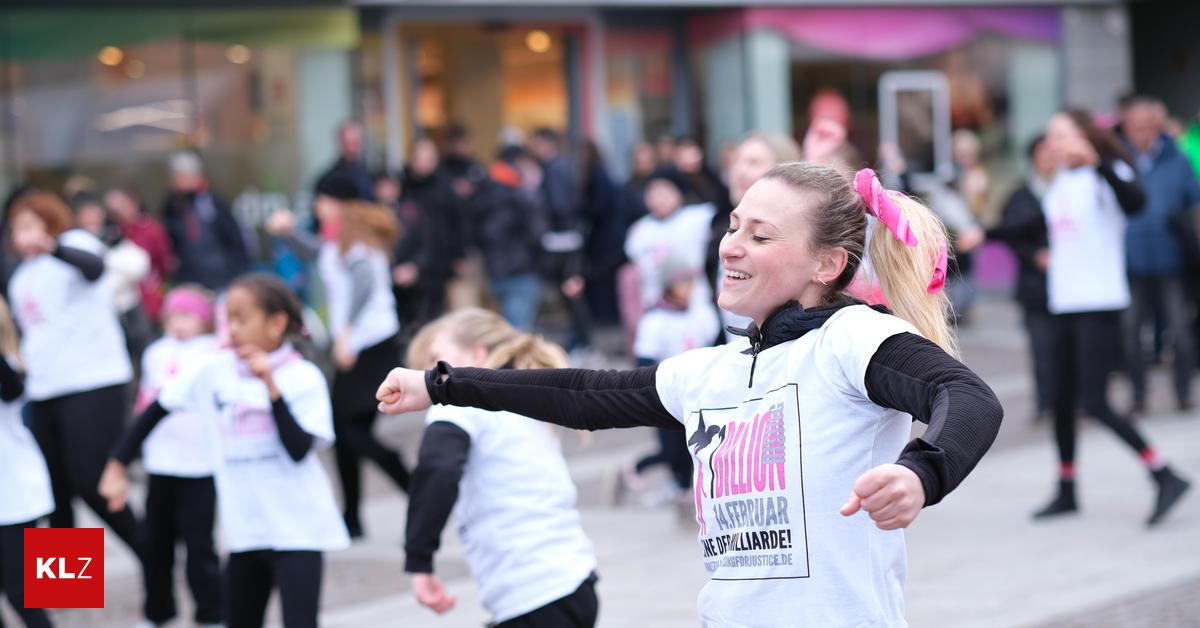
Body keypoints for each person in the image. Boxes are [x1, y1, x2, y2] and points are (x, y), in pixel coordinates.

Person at [378, 162, 1004, 626]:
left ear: (826, 265)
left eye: (761, 235)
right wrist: (443, 385)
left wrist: (923, 472)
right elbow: (584, 392)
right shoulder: (711, 372)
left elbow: (967, 396)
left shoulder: (849, 340)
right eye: (734, 226)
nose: (731, 245)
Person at [102, 273, 350, 628]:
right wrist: (117, 464)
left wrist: (270, 387)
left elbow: (298, 449)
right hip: (245, 530)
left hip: (298, 528)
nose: (232, 329)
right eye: (228, 318)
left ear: (277, 323)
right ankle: (152, 612)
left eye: (242, 319)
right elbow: (156, 409)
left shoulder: (302, 377)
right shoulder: (211, 369)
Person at [1033, 108, 1190, 525]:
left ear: (1084, 137)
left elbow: (1135, 203)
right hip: (1063, 302)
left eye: (1061, 135)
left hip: (1099, 303)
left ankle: (1164, 473)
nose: (1053, 144)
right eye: (1050, 137)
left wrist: (1099, 163)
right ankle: (1067, 488)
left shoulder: (1110, 171)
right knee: (1061, 399)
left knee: (1094, 401)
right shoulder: (1061, 180)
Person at [403, 308, 599, 627]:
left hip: (533, 593)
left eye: (434, 359)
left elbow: (437, 469)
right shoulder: (522, 401)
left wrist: (419, 561)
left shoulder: (458, 400)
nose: (424, 374)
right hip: (573, 581)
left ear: (476, 354)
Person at [5, 189, 141, 552]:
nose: (24, 235)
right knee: (56, 487)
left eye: (30, 225)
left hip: (92, 382)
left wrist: (53, 247)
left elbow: (94, 269)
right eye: (17, 229)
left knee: (91, 481)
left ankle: (151, 553)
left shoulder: (75, 243)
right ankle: (68, 590)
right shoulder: (21, 277)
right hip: (44, 388)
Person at [314, 184, 410, 539]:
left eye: (322, 200)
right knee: (346, 433)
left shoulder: (357, 244)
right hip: (359, 345)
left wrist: (345, 334)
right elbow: (317, 256)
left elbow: (365, 286)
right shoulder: (339, 240)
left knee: (348, 430)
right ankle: (352, 517)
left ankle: (404, 477)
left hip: (369, 345)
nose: (317, 206)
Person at [131, 285, 223, 627]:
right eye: (172, 316)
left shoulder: (212, 352)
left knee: (200, 547)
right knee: (155, 544)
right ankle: (157, 610)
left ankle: (211, 612)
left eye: (187, 315)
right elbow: (146, 401)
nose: (178, 323)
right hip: (161, 461)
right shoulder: (156, 352)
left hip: (199, 464)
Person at [1117, 96, 1200, 412]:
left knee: (1180, 330)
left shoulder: (1177, 159)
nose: (1142, 132)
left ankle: (1183, 391)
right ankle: (1139, 395)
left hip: (1171, 261)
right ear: (1127, 127)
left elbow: (1195, 202)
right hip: (1131, 262)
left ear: (1157, 126)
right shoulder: (1119, 160)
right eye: (1136, 126)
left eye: (1148, 126)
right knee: (1131, 333)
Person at [617, 258, 719, 508]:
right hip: (666, 391)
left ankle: (684, 494)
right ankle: (638, 469)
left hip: (699, 390)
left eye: (690, 283)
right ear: (668, 287)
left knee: (695, 446)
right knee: (672, 450)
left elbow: (716, 346)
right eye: (681, 284)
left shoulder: (702, 312)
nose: (688, 289)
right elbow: (645, 360)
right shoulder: (655, 320)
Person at [987, 135, 1057, 421]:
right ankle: (1045, 403)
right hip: (1035, 286)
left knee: (1069, 348)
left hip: (1072, 287)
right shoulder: (1022, 196)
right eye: (1044, 153)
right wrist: (1033, 255)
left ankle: (1072, 401)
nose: (1050, 158)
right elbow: (1009, 233)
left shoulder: (1072, 190)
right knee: (1042, 348)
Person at [711, 133, 803, 339]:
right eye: (737, 162)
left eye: (753, 162)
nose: (740, 171)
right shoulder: (717, 229)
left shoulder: (795, 233)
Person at [0, 296, 55, 628]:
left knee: (22, 592)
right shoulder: (24, 278)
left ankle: (155, 575)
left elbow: (13, 387)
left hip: (14, 493)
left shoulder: (11, 364)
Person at [72, 191, 154, 370]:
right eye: (85, 213)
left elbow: (139, 266)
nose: (90, 217)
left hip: (128, 310)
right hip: (97, 316)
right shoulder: (72, 245)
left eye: (94, 211)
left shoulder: (114, 235)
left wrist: (106, 258)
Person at [469, 146, 548, 332]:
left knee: (505, 330)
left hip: (495, 272)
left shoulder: (483, 194)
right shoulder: (523, 196)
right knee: (518, 333)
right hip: (523, 271)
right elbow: (538, 234)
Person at [529, 127, 591, 351]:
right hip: (565, 237)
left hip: (563, 240)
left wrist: (551, 227)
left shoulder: (556, 168)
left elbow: (560, 205)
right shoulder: (560, 167)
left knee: (570, 291)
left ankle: (582, 340)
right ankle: (580, 338)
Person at [162, 151, 250, 291]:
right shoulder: (172, 205)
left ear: (196, 175)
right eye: (175, 176)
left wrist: (238, 273)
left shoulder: (214, 201)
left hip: (222, 277)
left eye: (183, 176)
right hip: (190, 280)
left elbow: (235, 238)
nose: (178, 180)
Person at [105, 184, 174, 324]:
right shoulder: (113, 232)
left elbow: (165, 263)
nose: (118, 213)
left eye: (122, 206)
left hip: (149, 296)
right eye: (113, 211)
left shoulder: (151, 229)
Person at [319, 120, 374, 201]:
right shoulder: (328, 180)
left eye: (356, 142)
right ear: (340, 143)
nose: (352, 149)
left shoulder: (373, 176)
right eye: (348, 143)